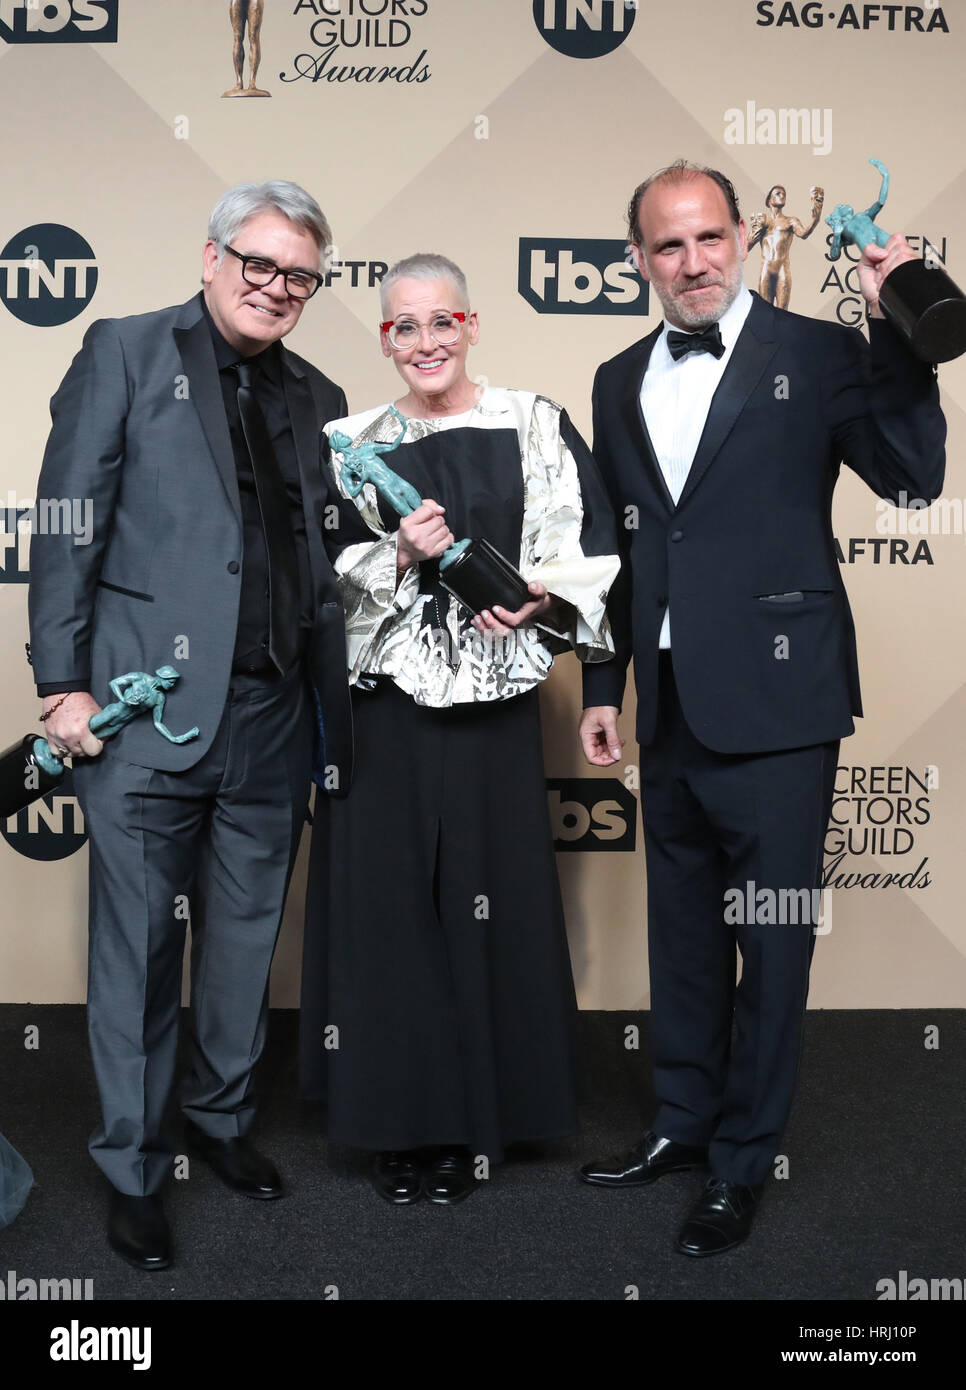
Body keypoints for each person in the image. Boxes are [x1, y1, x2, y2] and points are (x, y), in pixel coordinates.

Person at [578, 161, 946, 1255]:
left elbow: (915, 479)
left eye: (708, 238)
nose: (692, 262)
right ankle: (683, 1124)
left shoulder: (822, 352)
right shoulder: (613, 375)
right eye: (666, 246)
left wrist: (903, 330)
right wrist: (607, 685)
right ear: (639, 259)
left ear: (740, 236)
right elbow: (620, 552)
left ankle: (745, 1162)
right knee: (684, 937)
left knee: (772, 943)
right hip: (671, 702)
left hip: (783, 701)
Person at [27, 180, 352, 1270]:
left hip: (270, 717)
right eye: (256, 263)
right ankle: (132, 1166)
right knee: (138, 950)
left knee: (245, 944)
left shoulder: (320, 392)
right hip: (140, 717)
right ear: (211, 257)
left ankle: (217, 1125)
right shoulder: (123, 350)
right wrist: (62, 685)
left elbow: (324, 556)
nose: (274, 288)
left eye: (296, 274)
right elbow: (69, 521)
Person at [299, 252, 619, 1205]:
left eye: (443, 321)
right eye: (404, 325)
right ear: (385, 337)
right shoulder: (346, 441)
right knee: (389, 916)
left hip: (496, 713)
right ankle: (402, 1127)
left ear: (472, 325)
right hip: (380, 717)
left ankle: (491, 1116)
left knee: (492, 902)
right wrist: (395, 552)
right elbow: (316, 584)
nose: (425, 341)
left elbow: (588, 549)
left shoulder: (535, 423)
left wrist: (538, 603)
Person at [747, 183, 824, 309]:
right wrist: (751, 238)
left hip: (782, 269)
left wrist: (816, 218)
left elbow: (804, 233)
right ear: (769, 200)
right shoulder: (763, 221)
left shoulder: (790, 221)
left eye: (784, 194)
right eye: (778, 194)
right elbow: (746, 248)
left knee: (783, 313)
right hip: (766, 269)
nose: (782, 196)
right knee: (765, 312)